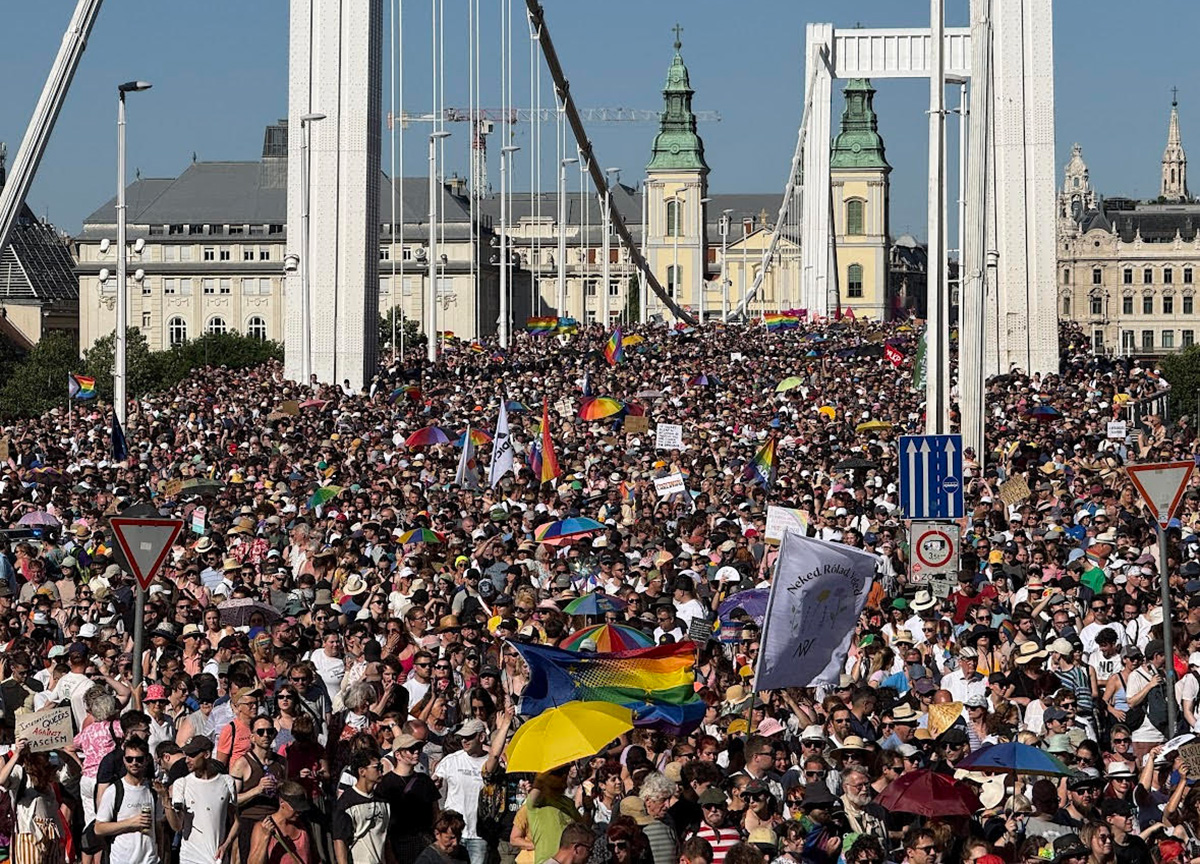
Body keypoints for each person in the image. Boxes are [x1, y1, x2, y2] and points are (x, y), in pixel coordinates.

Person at [166, 735, 240, 864]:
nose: (187, 760)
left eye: (192, 755)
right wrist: (164, 799)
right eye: (186, 755)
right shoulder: (182, 784)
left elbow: (236, 820)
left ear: (206, 754)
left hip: (217, 858)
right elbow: (177, 826)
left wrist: (226, 845)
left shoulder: (227, 782)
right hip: (190, 857)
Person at [231, 713, 288, 862]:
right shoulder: (242, 764)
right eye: (260, 732)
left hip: (275, 820)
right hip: (251, 821)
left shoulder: (281, 762)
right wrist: (256, 790)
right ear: (252, 737)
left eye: (269, 731)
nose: (266, 735)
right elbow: (232, 800)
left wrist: (280, 786)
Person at [94, 737, 160, 864]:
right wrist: (130, 823)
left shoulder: (152, 790)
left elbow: (159, 828)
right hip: (122, 859)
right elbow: (98, 828)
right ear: (124, 760)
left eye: (139, 759)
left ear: (146, 760)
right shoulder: (114, 790)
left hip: (150, 859)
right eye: (129, 759)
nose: (134, 763)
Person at [433, 720, 491, 864]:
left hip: (479, 835)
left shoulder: (491, 763)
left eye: (470, 737)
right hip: (452, 833)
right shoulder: (451, 760)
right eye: (462, 737)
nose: (464, 740)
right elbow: (434, 784)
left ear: (481, 737)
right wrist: (435, 782)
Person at [331, 748, 391, 864]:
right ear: (362, 771)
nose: (381, 771)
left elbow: (385, 837)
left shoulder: (383, 801)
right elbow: (339, 840)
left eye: (381, 768)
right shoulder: (346, 803)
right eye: (376, 768)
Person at [246, 780, 319, 864]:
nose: (299, 812)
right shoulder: (263, 827)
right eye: (295, 807)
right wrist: (266, 837)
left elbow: (315, 858)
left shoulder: (303, 825)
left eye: (301, 808)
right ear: (282, 802)